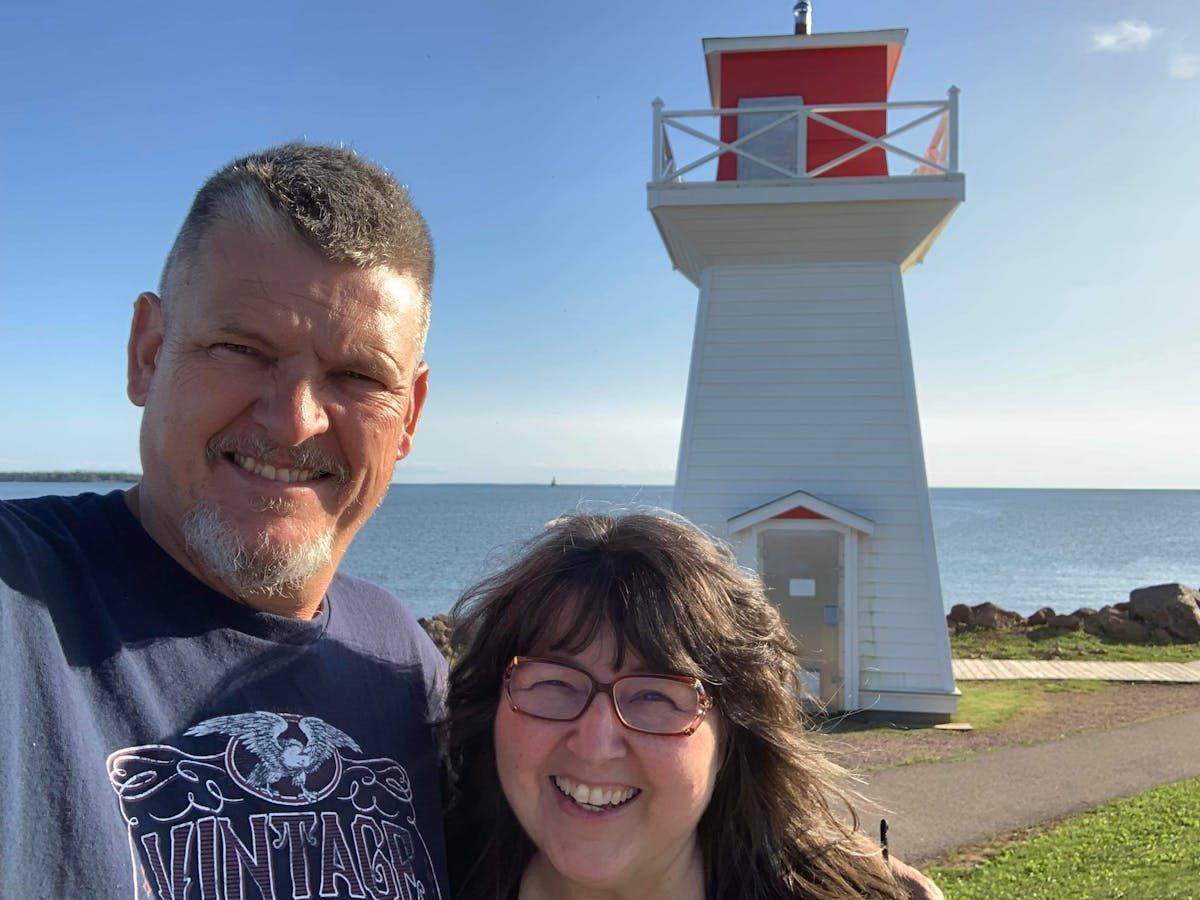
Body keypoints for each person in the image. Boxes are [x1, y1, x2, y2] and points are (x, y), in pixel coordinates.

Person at [0, 143, 451, 898]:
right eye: (242, 349)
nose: (294, 422)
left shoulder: (406, 663)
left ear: (409, 414)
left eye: (357, 376)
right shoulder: (21, 602)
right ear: (147, 351)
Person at [442, 510, 944, 899]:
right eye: (553, 684)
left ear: (732, 734)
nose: (595, 745)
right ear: (492, 707)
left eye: (656, 696)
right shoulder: (413, 876)